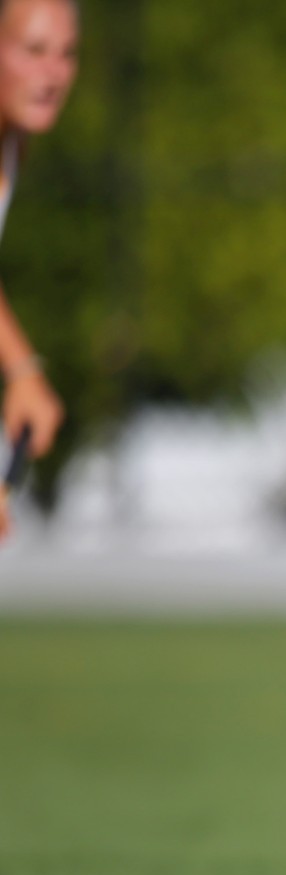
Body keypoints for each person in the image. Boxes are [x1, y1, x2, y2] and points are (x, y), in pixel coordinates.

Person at [0, 0, 76, 541]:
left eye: (66, 54)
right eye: (33, 51)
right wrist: (23, 370)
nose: (53, 73)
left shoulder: (12, 141)